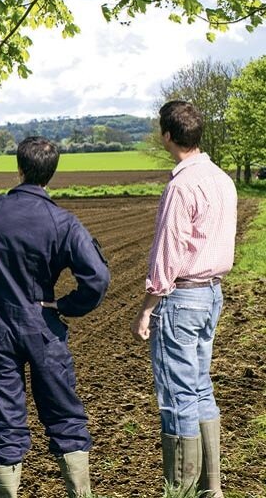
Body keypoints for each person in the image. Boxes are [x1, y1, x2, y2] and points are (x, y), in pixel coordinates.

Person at [0, 137, 110, 498]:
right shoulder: (64, 223)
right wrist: (65, 306)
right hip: (44, 328)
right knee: (65, 420)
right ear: (52, 174)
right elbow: (97, 278)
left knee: (6, 427)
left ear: (19, 168)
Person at [131, 101, 237, 496]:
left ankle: (181, 491)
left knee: (176, 394)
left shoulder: (181, 186)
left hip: (183, 298)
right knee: (199, 386)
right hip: (212, 295)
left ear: (167, 136)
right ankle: (212, 489)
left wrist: (147, 308)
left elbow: (167, 254)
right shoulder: (222, 179)